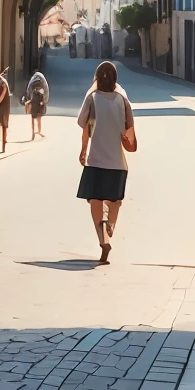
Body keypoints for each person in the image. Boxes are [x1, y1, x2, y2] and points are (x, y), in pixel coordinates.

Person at [76, 59, 137, 264]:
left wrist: (83, 150)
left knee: (95, 200)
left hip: (95, 161)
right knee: (115, 201)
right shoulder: (122, 99)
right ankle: (110, 224)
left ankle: (103, 238)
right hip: (117, 164)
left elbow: (87, 126)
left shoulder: (92, 98)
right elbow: (130, 132)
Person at [24, 65, 50, 139]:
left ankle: (33, 133)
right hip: (39, 100)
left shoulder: (32, 80)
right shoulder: (42, 80)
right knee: (39, 117)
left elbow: (28, 90)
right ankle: (39, 131)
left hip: (33, 100)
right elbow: (46, 90)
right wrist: (45, 100)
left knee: (33, 117)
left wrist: (28, 99)